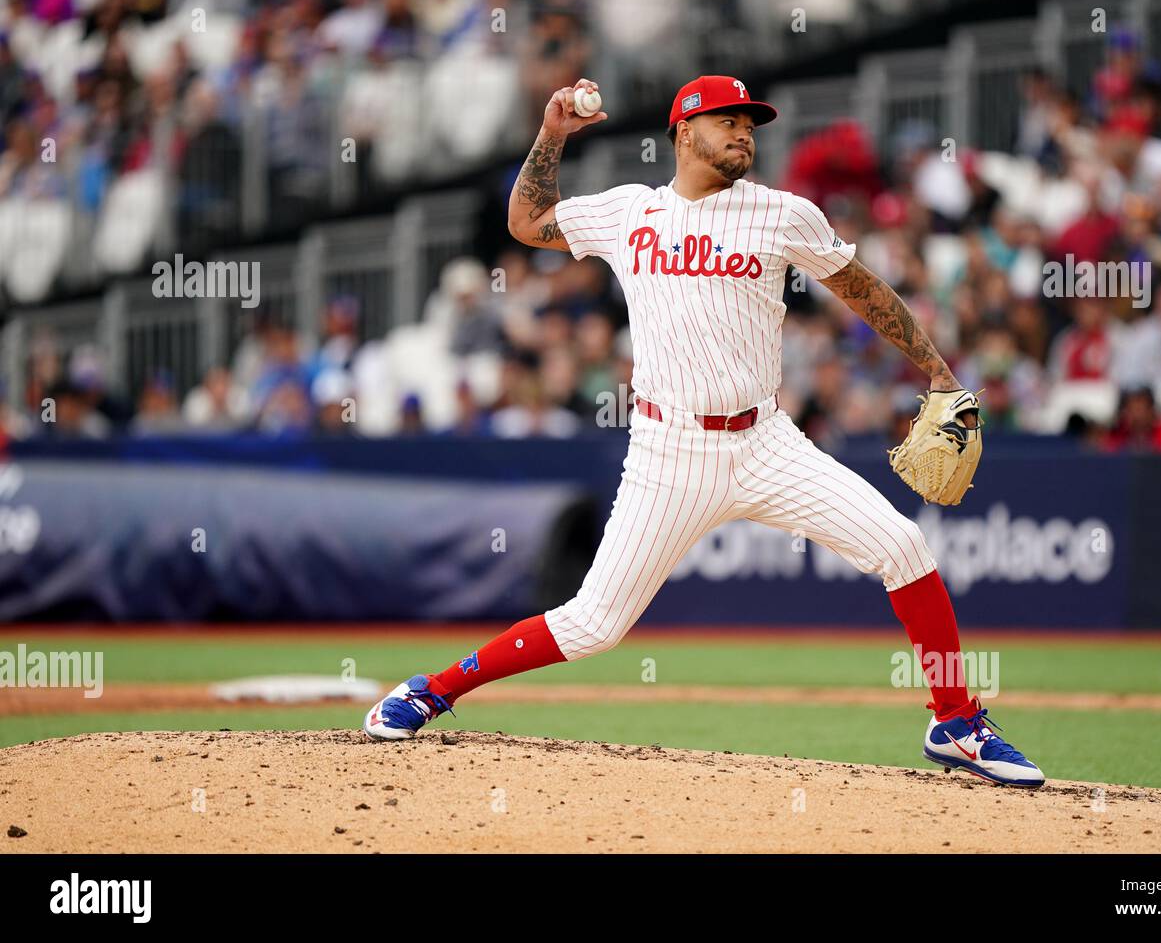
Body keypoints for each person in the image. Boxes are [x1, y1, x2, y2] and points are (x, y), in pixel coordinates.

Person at [363, 75, 1044, 787]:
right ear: (684, 131)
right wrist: (554, 135)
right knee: (595, 624)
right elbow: (528, 222)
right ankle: (434, 688)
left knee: (904, 544)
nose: (745, 131)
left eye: (751, 122)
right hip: (669, 451)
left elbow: (863, 289)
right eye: (729, 120)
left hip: (767, 442)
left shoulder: (784, 215)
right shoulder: (632, 212)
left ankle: (957, 721)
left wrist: (937, 372)